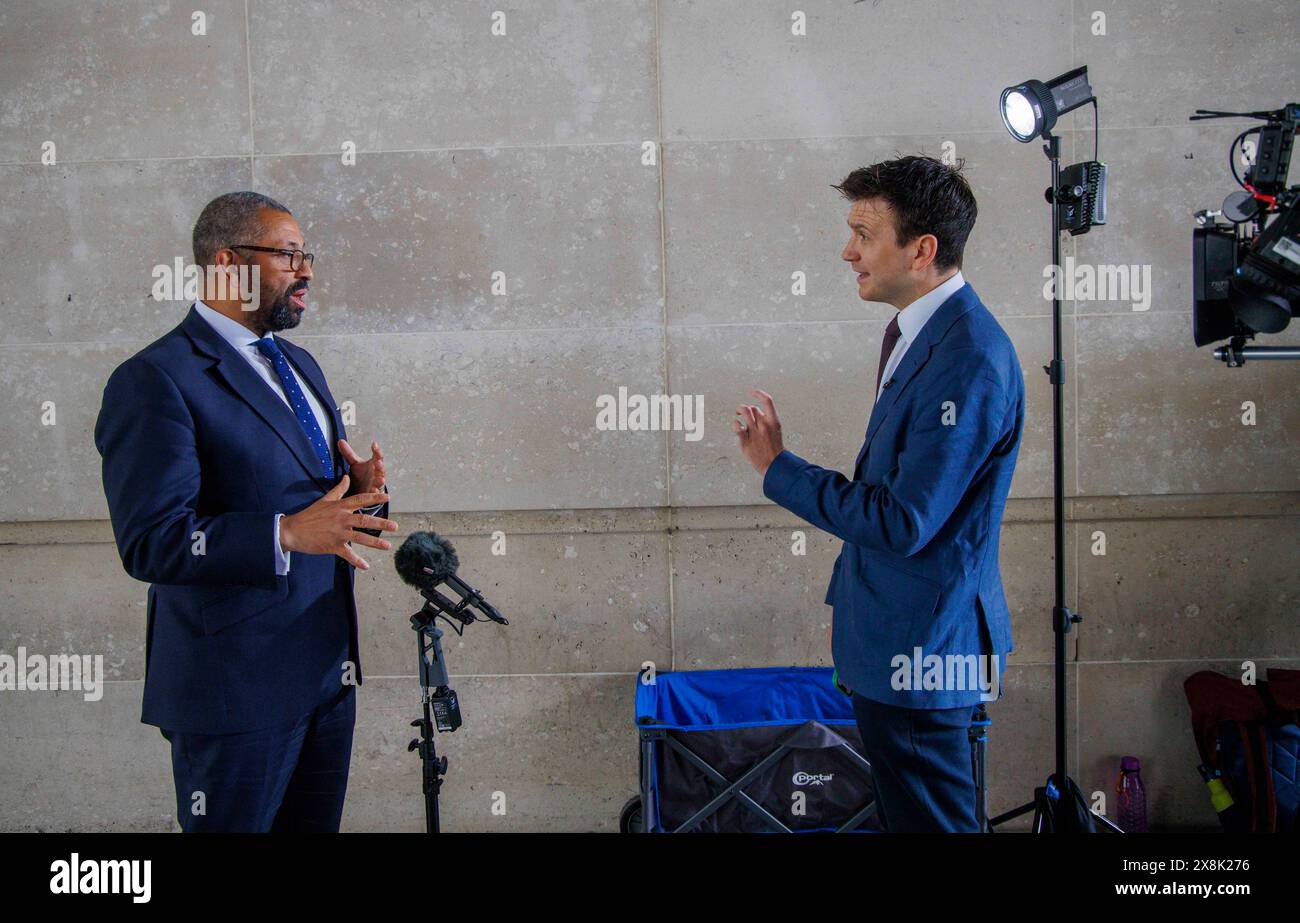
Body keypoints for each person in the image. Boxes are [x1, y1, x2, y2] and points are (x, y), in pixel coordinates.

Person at [733, 156, 1025, 832]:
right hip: (896, 641)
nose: (848, 251)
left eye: (864, 234)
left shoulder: (969, 358)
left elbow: (902, 521)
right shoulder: (923, 335)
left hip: (925, 649)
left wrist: (780, 468)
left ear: (922, 250)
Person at [93, 191, 398, 832]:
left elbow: (306, 506)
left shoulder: (298, 364)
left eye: (306, 255)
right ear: (228, 262)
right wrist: (284, 533)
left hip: (324, 675)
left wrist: (359, 492)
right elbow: (152, 541)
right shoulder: (155, 379)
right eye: (288, 255)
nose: (306, 271)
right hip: (233, 692)